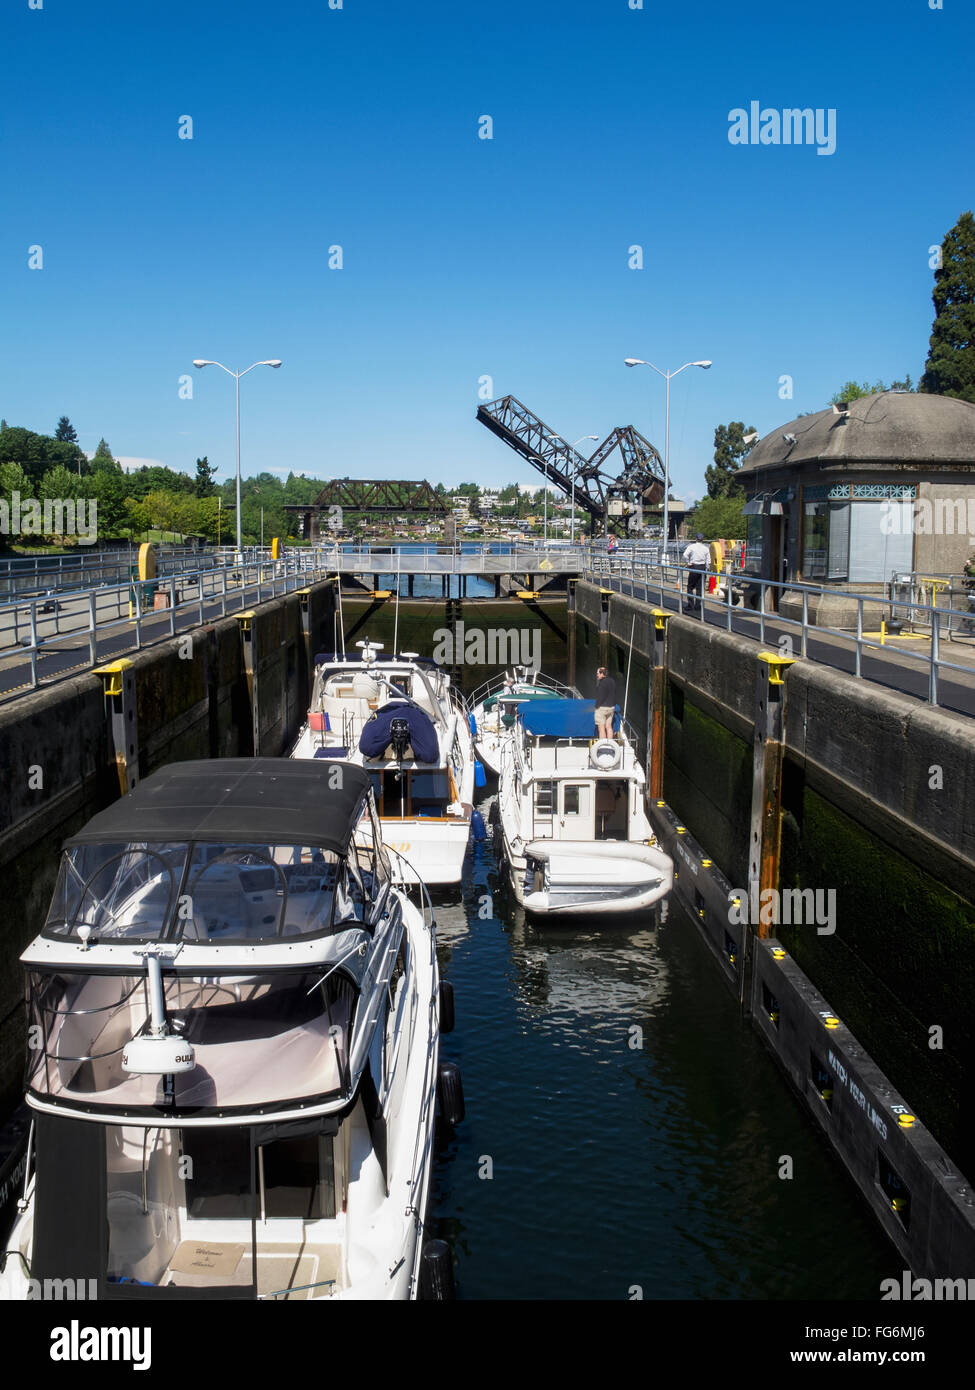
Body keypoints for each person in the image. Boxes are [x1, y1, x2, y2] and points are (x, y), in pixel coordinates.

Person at [682, 532, 711, 613]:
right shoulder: (706, 548)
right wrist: (707, 569)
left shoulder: (691, 547)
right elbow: (708, 561)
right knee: (700, 588)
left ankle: (690, 605)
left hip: (694, 567)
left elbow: (685, 555)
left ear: (696, 539)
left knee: (690, 587)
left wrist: (688, 563)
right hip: (702, 568)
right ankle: (698, 606)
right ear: (703, 539)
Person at [594, 665, 617, 739]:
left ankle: (603, 746)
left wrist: (596, 706)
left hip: (602, 708)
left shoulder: (602, 683)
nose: (597, 675)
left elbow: (601, 696)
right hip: (611, 708)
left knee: (601, 729)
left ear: (602, 674)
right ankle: (610, 744)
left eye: (598, 673)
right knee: (609, 727)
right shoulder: (612, 681)